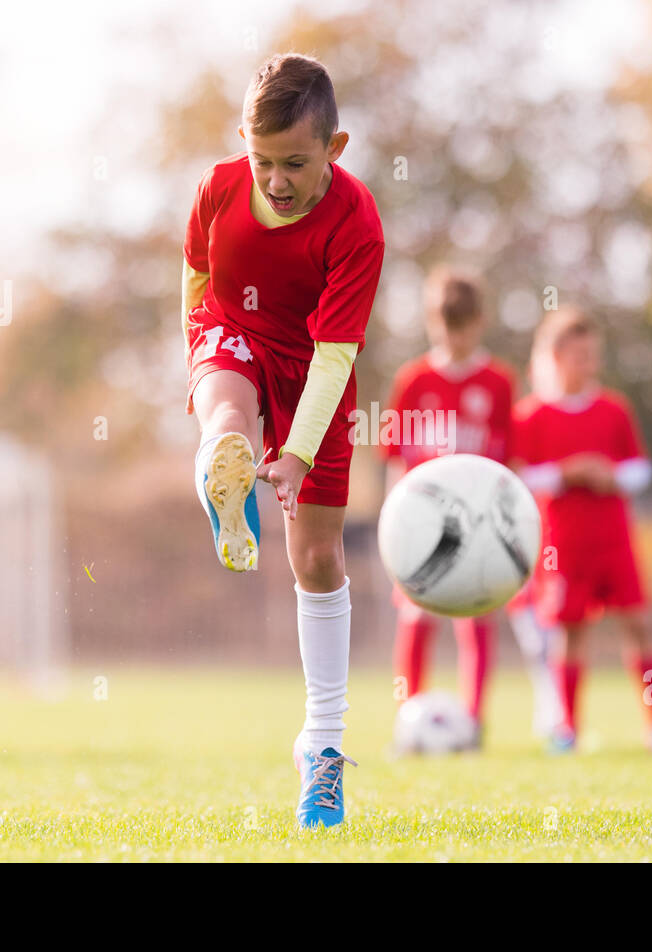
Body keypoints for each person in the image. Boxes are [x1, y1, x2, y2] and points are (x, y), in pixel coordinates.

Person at [182, 53, 385, 827]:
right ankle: (220, 470)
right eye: (262, 159)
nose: (274, 180)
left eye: (294, 164)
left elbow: (337, 354)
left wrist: (297, 451)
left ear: (335, 151)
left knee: (318, 559)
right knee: (226, 417)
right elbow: (197, 279)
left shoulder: (357, 223)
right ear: (243, 142)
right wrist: (196, 360)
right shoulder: (218, 186)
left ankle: (321, 750)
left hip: (315, 368)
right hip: (234, 333)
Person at [512, 307, 652, 757]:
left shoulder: (614, 408)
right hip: (564, 546)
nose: (588, 364)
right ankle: (567, 729)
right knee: (570, 635)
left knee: (641, 626)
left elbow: (640, 468)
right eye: (578, 356)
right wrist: (568, 473)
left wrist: (611, 475)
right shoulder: (532, 415)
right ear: (555, 357)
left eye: (592, 355)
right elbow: (520, 478)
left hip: (615, 540)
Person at [384, 268, 515, 743]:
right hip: (422, 526)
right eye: (444, 326)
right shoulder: (414, 380)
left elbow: (510, 462)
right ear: (430, 323)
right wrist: (392, 527)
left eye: (462, 326)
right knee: (417, 615)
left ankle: (474, 722)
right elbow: (396, 460)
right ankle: (408, 720)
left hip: (479, 528)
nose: (453, 337)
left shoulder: (498, 382)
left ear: (479, 323)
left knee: (477, 615)